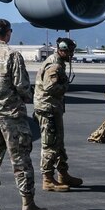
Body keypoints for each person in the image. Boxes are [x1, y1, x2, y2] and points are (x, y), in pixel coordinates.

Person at [0, 19, 47, 210]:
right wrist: (30, 97)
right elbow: (22, 85)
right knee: (20, 160)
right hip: (11, 115)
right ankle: (28, 205)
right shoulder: (12, 55)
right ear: (8, 32)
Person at [34, 37, 82, 191]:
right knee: (50, 144)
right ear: (61, 50)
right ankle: (47, 179)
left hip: (53, 108)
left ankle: (63, 174)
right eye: (69, 51)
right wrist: (64, 86)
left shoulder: (60, 63)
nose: (71, 54)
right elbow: (50, 87)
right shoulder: (54, 65)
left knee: (58, 143)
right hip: (48, 109)